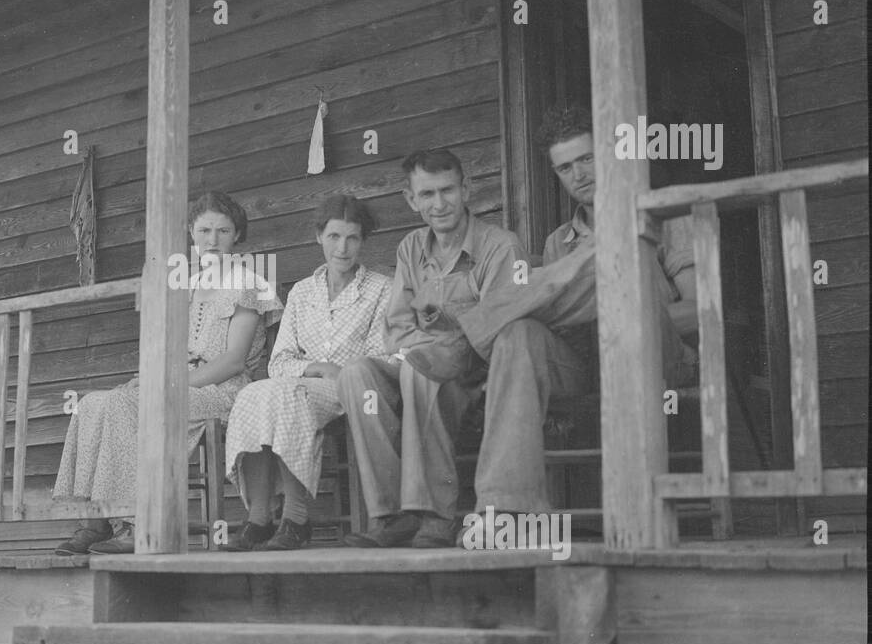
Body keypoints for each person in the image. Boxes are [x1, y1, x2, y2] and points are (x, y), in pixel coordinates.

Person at [452, 104, 698, 522]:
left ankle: (464, 340)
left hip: (660, 354)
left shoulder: (666, 218)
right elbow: (558, 325)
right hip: (589, 362)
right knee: (518, 336)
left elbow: (700, 311)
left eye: (586, 159)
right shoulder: (558, 242)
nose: (579, 175)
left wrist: (619, 316)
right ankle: (507, 506)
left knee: (611, 250)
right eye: (565, 168)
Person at [53, 191, 283, 555]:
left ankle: (137, 522)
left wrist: (171, 384)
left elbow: (234, 360)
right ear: (191, 233)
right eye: (204, 230)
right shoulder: (184, 285)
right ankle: (96, 521)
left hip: (224, 388)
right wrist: (155, 376)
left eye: (223, 231)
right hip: (178, 383)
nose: (213, 240)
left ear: (237, 235)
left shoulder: (249, 283)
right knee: (94, 403)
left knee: (133, 404)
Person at [337, 149, 526, 548]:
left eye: (447, 191)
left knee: (419, 366)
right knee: (358, 375)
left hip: (479, 374)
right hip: (419, 366)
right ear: (411, 200)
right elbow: (397, 325)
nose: (438, 204)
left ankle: (435, 514)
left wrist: (440, 340)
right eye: (427, 195)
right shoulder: (410, 248)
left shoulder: (499, 246)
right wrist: (424, 346)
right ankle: (390, 515)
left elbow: (500, 326)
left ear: (466, 189)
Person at [223, 195, 391, 551]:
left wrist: (338, 372)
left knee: (286, 394)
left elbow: (381, 357)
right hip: (305, 385)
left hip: (352, 389)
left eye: (352, 238)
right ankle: (260, 518)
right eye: (334, 237)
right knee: (252, 394)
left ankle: (296, 518)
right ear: (319, 236)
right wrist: (317, 367)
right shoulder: (302, 292)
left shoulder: (381, 289)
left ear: (363, 241)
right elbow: (279, 361)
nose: (342, 248)